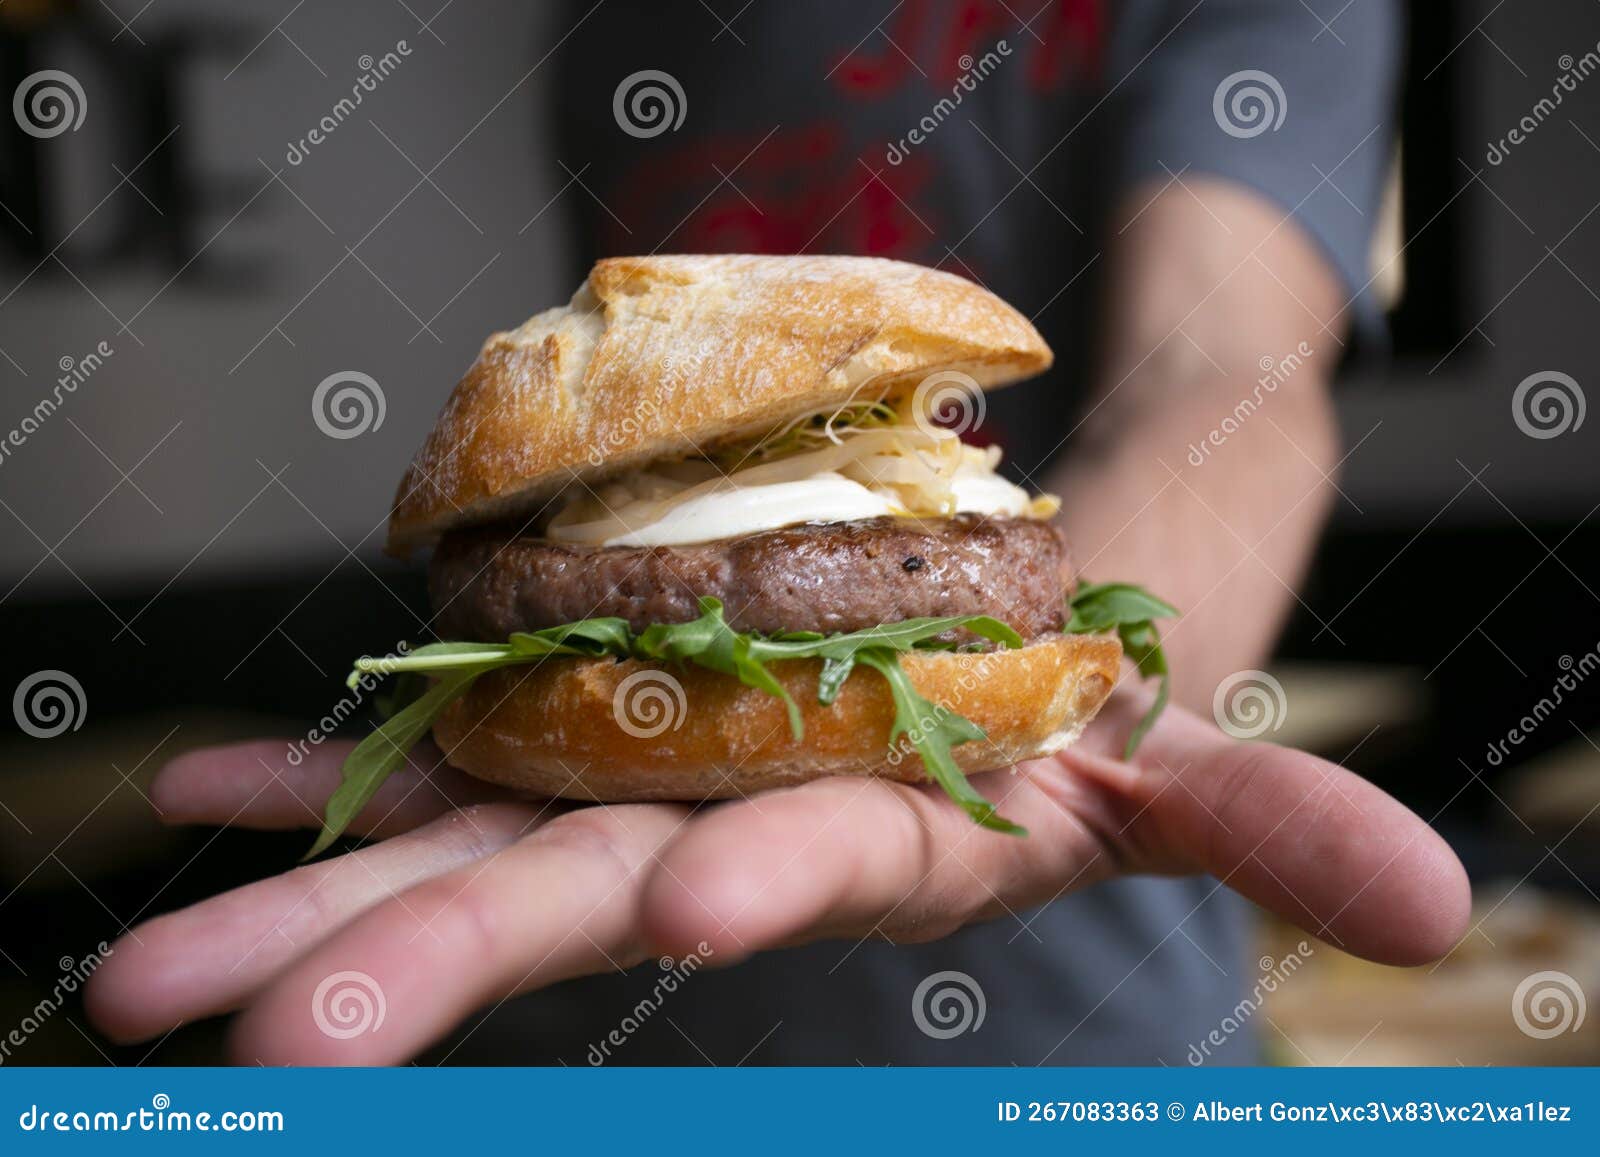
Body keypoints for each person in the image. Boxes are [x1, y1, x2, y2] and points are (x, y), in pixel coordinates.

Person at [85, 0, 1469, 1065]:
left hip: (1067, 1033)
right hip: (599, 1027)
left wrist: (1069, 688)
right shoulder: (618, 20)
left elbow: (1216, 371)